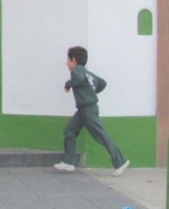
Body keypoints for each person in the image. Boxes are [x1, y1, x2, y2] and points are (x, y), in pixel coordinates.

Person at [54, 46, 130, 176]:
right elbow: (102, 83)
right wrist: (91, 92)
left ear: (74, 60)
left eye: (68, 59)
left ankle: (120, 161)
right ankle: (68, 162)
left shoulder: (76, 71)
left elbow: (78, 79)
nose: (66, 62)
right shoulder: (88, 73)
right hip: (85, 109)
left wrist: (68, 84)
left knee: (101, 135)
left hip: (87, 109)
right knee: (70, 131)